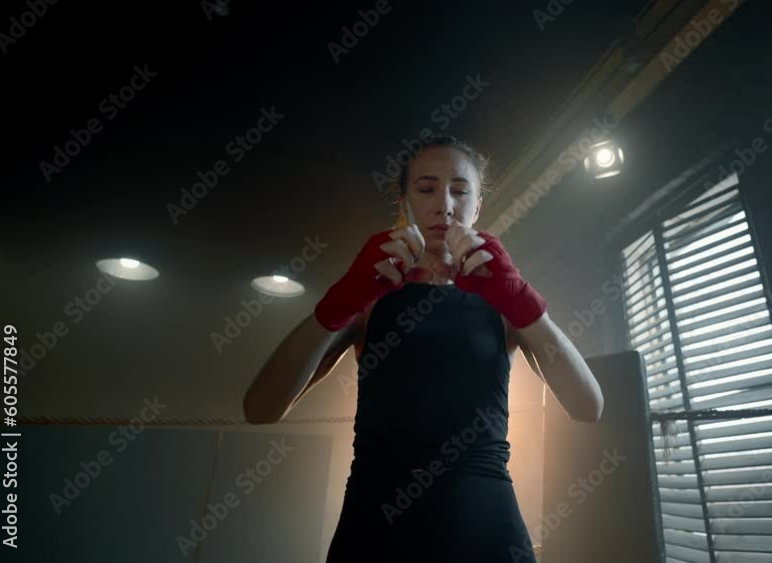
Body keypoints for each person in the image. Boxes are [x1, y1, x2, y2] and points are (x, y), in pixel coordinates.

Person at [243, 135, 604, 563]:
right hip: (376, 529)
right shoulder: (369, 299)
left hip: (485, 527)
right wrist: (340, 302)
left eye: (459, 190)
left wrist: (523, 302)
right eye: (427, 188)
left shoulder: (502, 302)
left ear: (478, 206)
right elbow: (260, 408)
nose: (445, 205)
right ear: (405, 202)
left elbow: (588, 406)